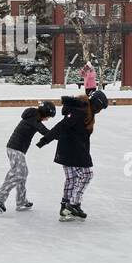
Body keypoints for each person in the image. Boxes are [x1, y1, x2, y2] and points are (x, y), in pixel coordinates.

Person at [36, 89, 108, 221]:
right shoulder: (80, 111)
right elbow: (62, 126)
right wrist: (45, 139)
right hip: (71, 149)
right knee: (86, 174)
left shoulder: (88, 111)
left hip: (72, 148)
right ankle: (73, 204)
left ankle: (65, 208)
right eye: (100, 108)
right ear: (96, 104)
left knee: (72, 179)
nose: (100, 111)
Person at [0, 100, 56, 214]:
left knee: (21, 173)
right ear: (44, 113)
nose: (47, 119)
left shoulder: (34, 117)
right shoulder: (33, 118)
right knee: (20, 173)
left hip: (16, 149)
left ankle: (21, 201)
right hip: (15, 149)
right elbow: (45, 132)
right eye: (48, 117)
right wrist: (60, 134)